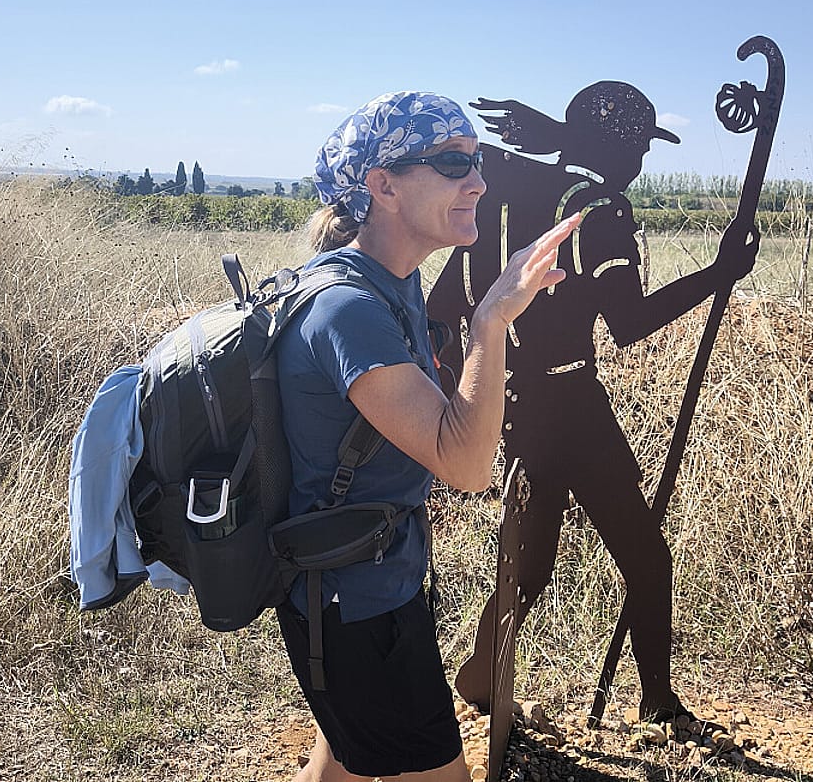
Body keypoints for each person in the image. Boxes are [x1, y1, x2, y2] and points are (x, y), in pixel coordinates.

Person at [273, 91, 581, 782]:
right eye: (450, 163)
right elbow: (466, 465)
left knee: (341, 763)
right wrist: (491, 322)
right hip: (358, 609)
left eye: (476, 160)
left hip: (356, 589)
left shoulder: (390, 283)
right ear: (382, 186)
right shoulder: (348, 309)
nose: (477, 182)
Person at [426, 82, 758, 722]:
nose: (640, 162)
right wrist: (719, 274)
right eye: (637, 148)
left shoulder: (507, 199)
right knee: (646, 559)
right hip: (573, 407)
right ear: (615, 147)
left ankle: (481, 673)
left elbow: (444, 305)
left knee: (530, 565)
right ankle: (659, 704)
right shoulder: (599, 211)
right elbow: (630, 323)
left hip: (510, 404)